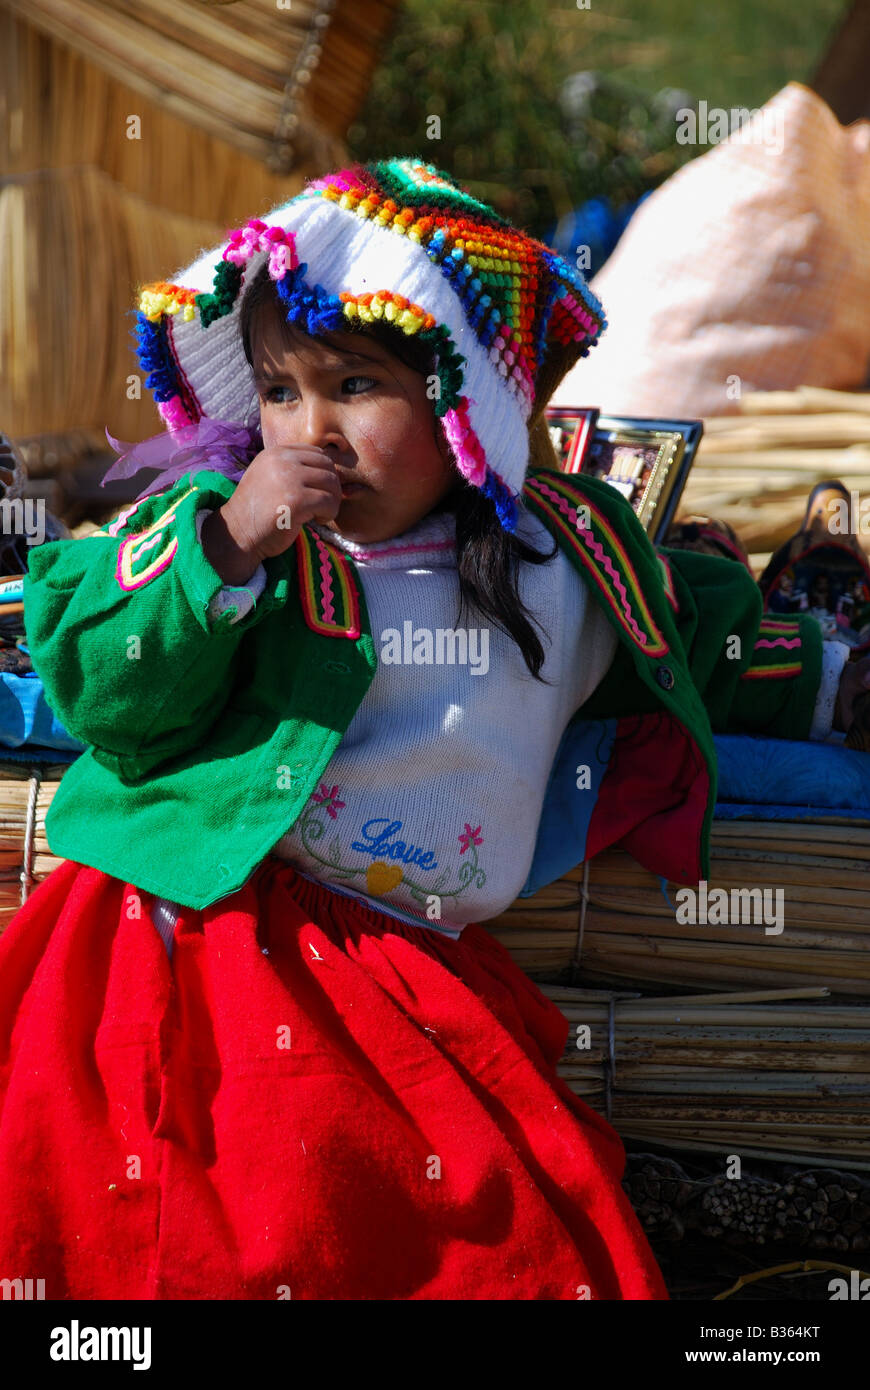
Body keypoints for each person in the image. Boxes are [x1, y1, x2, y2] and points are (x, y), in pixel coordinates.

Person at [2, 157, 870, 1302]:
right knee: (232, 1214)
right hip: (194, 934)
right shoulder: (231, 538)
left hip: (405, 964)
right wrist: (225, 552)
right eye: (276, 391)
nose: (306, 431)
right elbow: (110, 689)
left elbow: (700, 640)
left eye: (355, 384)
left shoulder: (564, 567)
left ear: (470, 404)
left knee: (496, 1228)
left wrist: (833, 683)